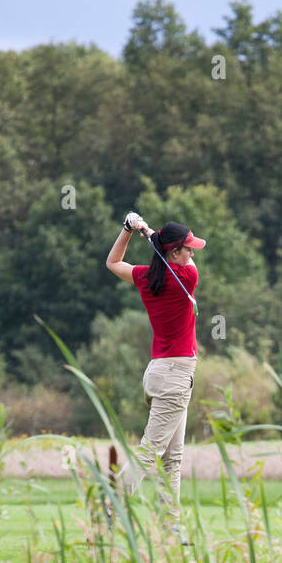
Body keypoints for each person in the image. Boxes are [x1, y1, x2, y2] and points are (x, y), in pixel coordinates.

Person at [105, 212, 207, 540]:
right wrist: (148, 231)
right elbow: (190, 267)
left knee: (172, 458)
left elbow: (113, 262)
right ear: (175, 253)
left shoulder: (147, 277)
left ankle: (171, 527)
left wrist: (129, 229)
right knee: (151, 452)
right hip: (175, 377)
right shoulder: (186, 278)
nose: (192, 254)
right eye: (188, 249)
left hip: (158, 374)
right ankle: (112, 504)